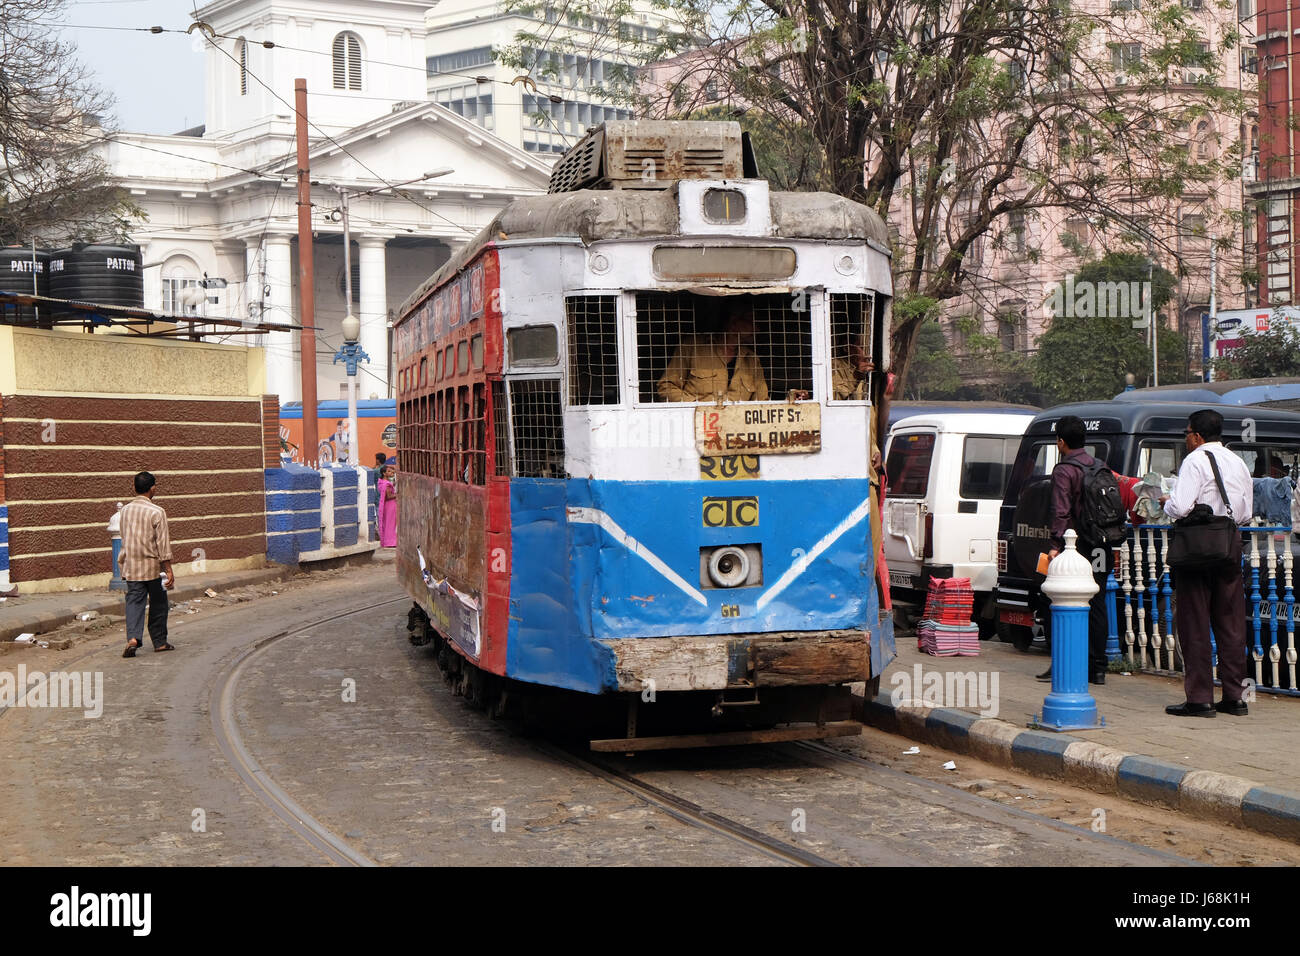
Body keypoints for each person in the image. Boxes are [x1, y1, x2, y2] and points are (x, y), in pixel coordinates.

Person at [1159, 409, 1253, 718]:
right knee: (1231, 622)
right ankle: (1236, 697)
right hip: (1229, 542)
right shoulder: (1238, 462)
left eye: (1186, 433)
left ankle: (1200, 699)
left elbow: (1181, 506)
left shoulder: (1195, 460)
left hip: (1198, 546)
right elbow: (1246, 511)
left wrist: (1166, 502)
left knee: (1194, 622)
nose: (1186, 439)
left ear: (1197, 436)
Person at [1037, 415, 1113, 686]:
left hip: (1075, 547)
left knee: (1055, 600)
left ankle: (1064, 660)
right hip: (1102, 544)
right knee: (1098, 601)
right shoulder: (1100, 466)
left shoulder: (1064, 470)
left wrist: (1056, 547)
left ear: (1060, 442)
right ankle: (1098, 667)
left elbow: (1060, 511)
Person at [657, 304, 769, 402]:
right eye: (751, 321)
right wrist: (697, 408)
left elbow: (762, 400)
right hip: (698, 423)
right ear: (733, 321)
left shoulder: (751, 359)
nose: (757, 329)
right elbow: (666, 387)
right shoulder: (692, 347)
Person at [119, 471, 175, 658]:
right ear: (153, 489)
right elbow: (163, 543)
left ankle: (133, 639)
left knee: (134, 603)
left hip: (132, 566)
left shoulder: (124, 511)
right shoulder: (157, 512)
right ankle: (159, 642)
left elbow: (124, 537)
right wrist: (168, 569)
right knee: (159, 604)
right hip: (153, 567)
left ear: (133, 488)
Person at [377, 465, 398, 549]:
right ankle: (391, 541)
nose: (391, 473)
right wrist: (398, 494)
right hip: (390, 505)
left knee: (387, 523)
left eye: (391, 471)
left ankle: (387, 541)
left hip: (386, 506)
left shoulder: (382, 482)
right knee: (391, 524)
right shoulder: (387, 484)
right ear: (384, 473)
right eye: (389, 471)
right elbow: (389, 496)